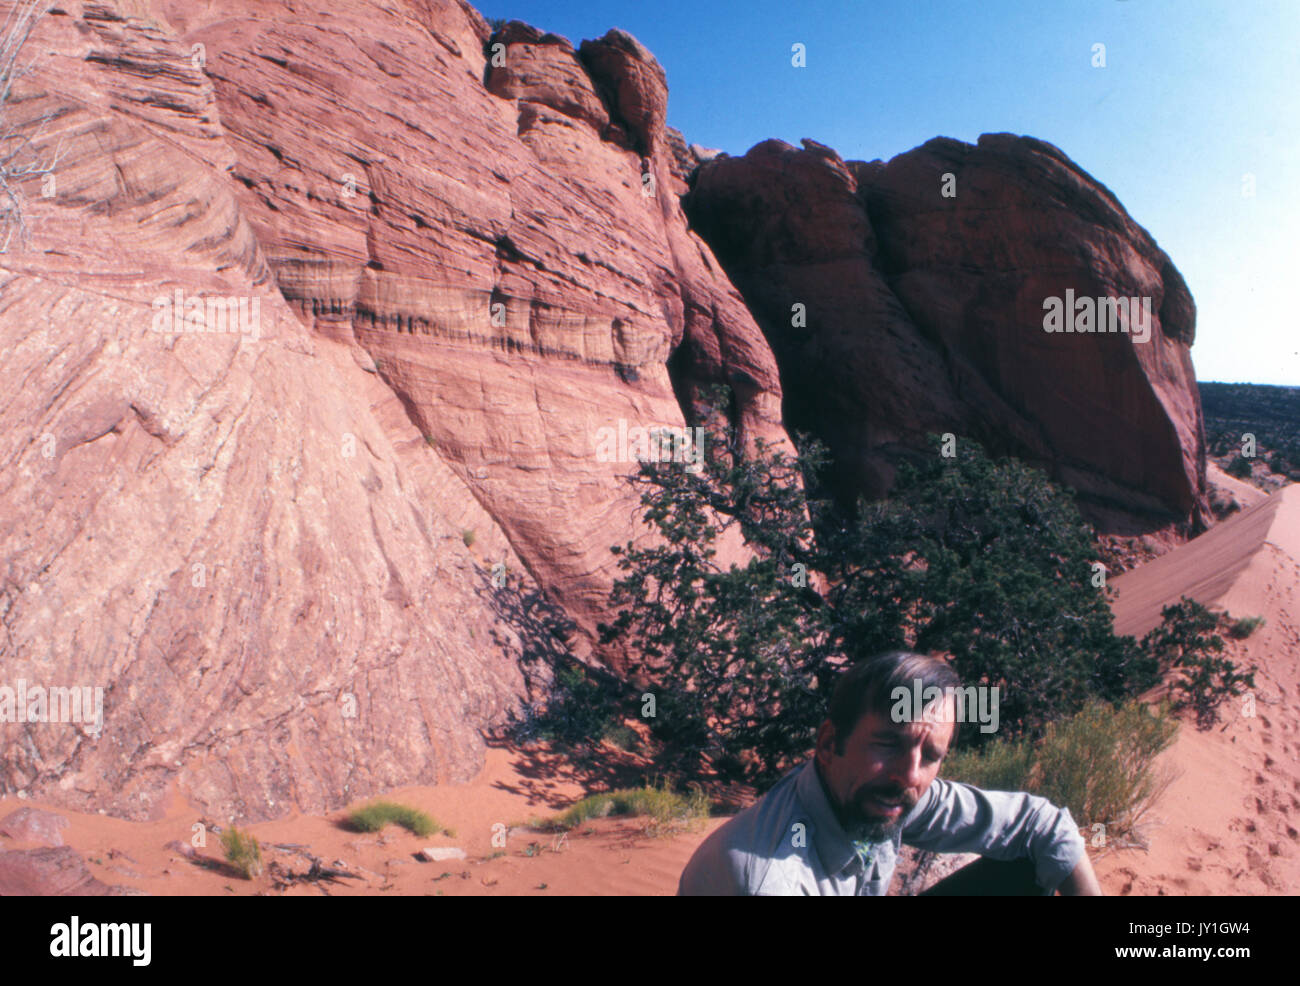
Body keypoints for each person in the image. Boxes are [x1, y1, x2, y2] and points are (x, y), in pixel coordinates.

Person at [677, 650, 1103, 896]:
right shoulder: (772, 882)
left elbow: (1044, 826)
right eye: (888, 743)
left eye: (931, 754)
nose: (910, 776)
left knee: (1026, 865)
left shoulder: (881, 791)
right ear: (829, 743)